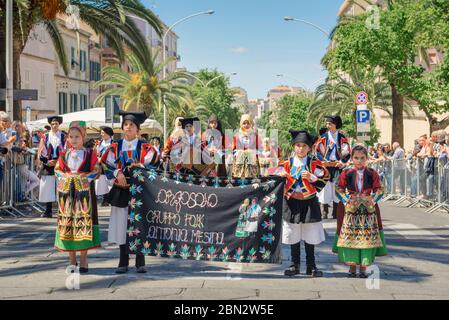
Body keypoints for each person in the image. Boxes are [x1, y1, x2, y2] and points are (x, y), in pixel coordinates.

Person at [102, 111, 159, 274]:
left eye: (131, 125)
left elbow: (154, 165)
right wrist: (116, 174)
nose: (128, 127)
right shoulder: (114, 147)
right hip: (121, 190)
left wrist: (140, 168)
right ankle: (123, 260)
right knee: (121, 224)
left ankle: (140, 260)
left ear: (138, 130)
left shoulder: (146, 148)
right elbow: (106, 164)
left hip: (139, 192)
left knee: (139, 223)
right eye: (125, 125)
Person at [277, 130, 330, 277]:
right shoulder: (285, 163)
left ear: (309, 148)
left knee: (310, 234)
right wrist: (279, 176)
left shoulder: (314, 163)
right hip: (291, 202)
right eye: (298, 145)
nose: (301, 148)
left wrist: (312, 177)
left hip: (309, 203)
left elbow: (325, 177)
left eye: (304, 146)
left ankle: (311, 266)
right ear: (294, 146)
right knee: (293, 234)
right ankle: (294, 265)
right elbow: (273, 174)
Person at [333, 144, 388, 278]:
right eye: (356, 158)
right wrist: (347, 200)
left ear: (367, 158)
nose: (359, 161)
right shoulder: (346, 173)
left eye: (362, 158)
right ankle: (352, 267)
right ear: (351, 158)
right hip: (351, 211)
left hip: (368, 212)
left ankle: (363, 269)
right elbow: (339, 188)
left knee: (366, 238)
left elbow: (380, 189)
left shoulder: (372, 173)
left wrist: (372, 199)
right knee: (351, 238)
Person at [54, 121, 101, 273]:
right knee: (69, 225)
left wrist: (83, 178)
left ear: (84, 137)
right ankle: (72, 260)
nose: (73, 139)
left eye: (77, 136)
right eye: (71, 136)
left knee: (84, 224)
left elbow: (96, 170)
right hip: (67, 195)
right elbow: (57, 170)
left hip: (85, 195)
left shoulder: (90, 154)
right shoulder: (64, 154)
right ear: (67, 138)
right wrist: (66, 176)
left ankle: (84, 259)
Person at [314, 115, 350, 219]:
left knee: (337, 188)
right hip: (326, 166)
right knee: (325, 188)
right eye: (327, 124)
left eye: (330, 124)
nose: (327, 125)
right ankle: (324, 212)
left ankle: (335, 212)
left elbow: (347, 151)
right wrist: (324, 161)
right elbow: (317, 151)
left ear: (335, 125)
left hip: (337, 166)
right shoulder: (323, 137)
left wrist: (341, 161)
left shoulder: (341, 137)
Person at [37, 116, 66, 218]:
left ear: (59, 125)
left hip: (60, 165)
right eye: (52, 124)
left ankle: (62, 211)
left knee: (61, 187)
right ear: (50, 125)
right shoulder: (45, 136)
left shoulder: (63, 136)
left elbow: (66, 150)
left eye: (56, 124)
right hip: (48, 165)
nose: (54, 125)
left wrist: (58, 161)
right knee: (47, 188)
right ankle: (48, 211)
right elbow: (41, 150)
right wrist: (46, 161)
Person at [231, 114, 261, 179]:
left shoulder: (255, 135)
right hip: (239, 163)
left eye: (248, 123)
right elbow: (233, 148)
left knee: (252, 181)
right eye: (244, 123)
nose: (246, 125)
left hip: (252, 163)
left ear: (251, 124)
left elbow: (259, 148)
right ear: (241, 124)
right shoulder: (237, 135)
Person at [95, 126, 114, 207]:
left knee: (110, 182)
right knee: (102, 182)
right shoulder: (99, 143)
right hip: (101, 165)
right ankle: (105, 199)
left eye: (103, 133)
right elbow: (96, 153)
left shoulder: (113, 143)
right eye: (101, 132)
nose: (101, 134)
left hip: (111, 165)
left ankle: (110, 198)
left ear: (108, 134)